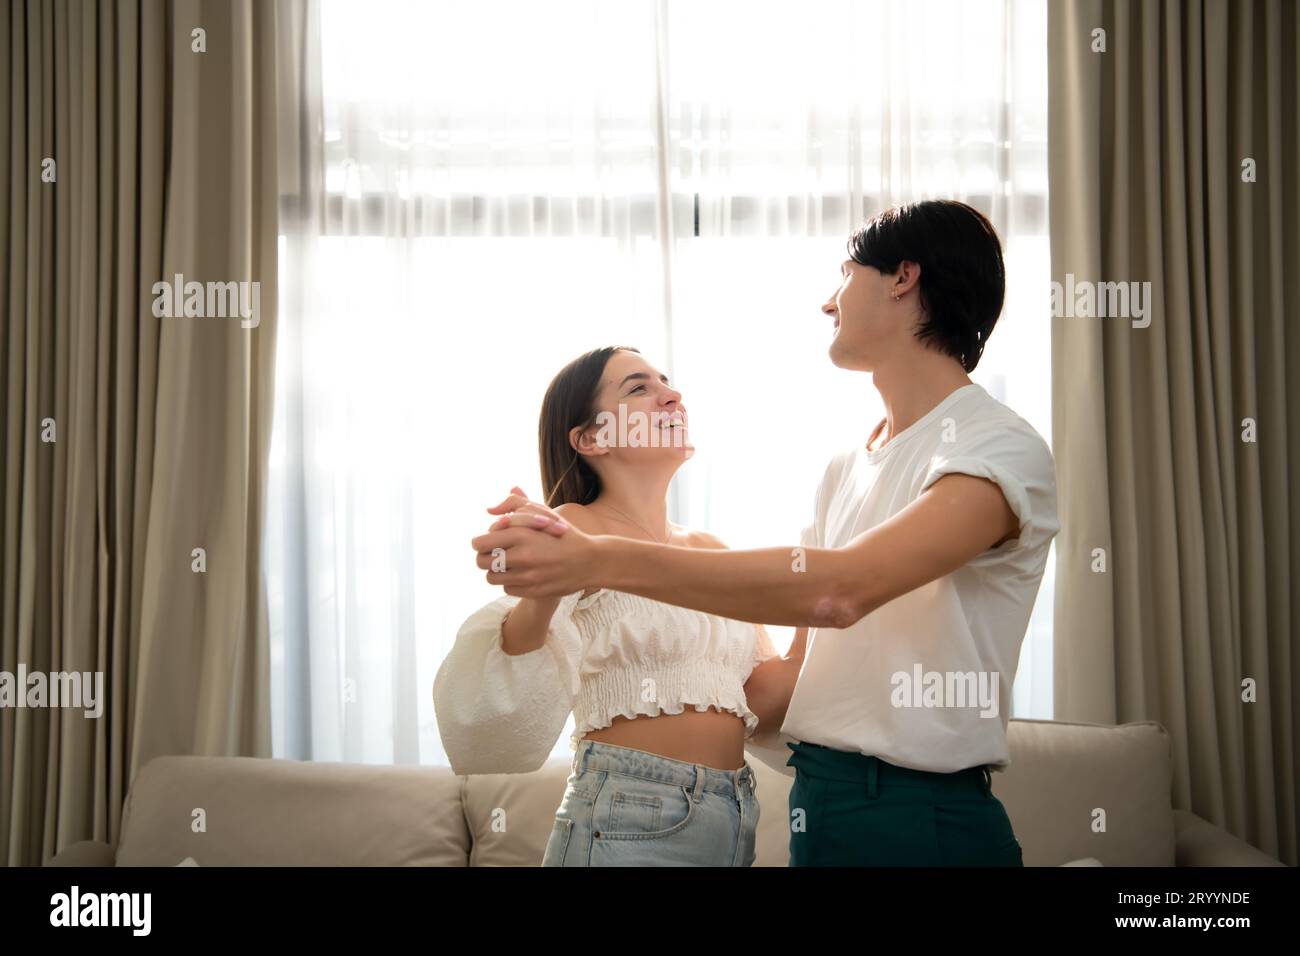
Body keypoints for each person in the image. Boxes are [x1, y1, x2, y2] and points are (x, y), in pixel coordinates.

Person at [472, 199, 1060, 866]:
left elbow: (837, 593)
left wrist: (598, 560)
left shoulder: (997, 447)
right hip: (817, 806)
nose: (828, 302)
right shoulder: (845, 473)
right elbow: (789, 683)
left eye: (845, 272)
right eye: (640, 388)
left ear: (902, 277)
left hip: (916, 813)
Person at [433, 346, 805, 867]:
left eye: (665, 382)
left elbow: (755, 699)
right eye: (638, 388)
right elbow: (517, 660)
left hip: (733, 813)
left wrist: (824, 608)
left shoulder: (712, 551)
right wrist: (538, 579)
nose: (671, 395)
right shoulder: (574, 527)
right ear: (590, 439)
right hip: (626, 811)